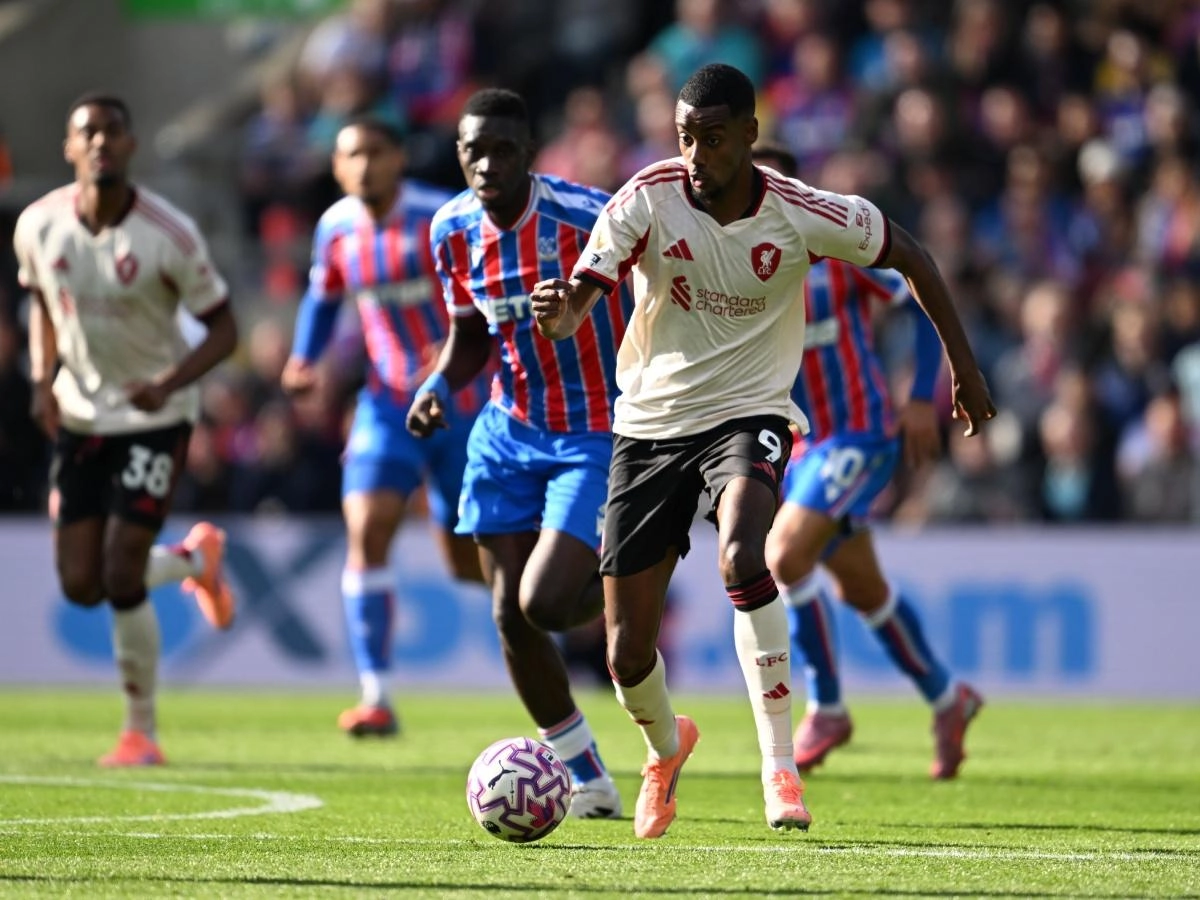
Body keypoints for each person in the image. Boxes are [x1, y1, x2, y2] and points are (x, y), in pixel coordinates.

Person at [531, 64, 996, 838]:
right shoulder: (646, 196)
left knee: (751, 555)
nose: (696, 155)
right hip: (649, 428)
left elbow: (911, 253)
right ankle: (663, 746)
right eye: (686, 138)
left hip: (752, 416)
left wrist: (964, 370)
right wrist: (557, 315)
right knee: (624, 651)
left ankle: (780, 767)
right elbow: (580, 300)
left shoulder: (800, 212)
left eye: (712, 139)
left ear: (749, 135)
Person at [406, 88, 633, 818]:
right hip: (506, 430)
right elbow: (471, 334)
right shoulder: (450, 230)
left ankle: (634, 575)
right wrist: (438, 383)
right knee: (509, 613)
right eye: (475, 151)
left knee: (541, 601)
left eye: (503, 149)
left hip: (593, 430)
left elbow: (660, 294)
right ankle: (586, 776)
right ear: (460, 155)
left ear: (529, 153)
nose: (488, 163)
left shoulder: (586, 216)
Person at [13, 93, 239, 766]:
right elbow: (41, 304)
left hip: (155, 417)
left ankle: (139, 730)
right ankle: (196, 563)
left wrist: (166, 386)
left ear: (131, 145)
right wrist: (40, 379)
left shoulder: (168, 234)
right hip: (79, 412)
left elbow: (224, 328)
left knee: (119, 571)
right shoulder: (38, 224)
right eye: (89, 132)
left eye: (113, 131)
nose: (101, 142)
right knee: (81, 584)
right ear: (69, 147)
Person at [752, 142, 984, 780]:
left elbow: (916, 295)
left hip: (859, 435)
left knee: (783, 557)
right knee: (863, 589)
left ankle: (826, 706)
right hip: (798, 448)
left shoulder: (835, 251)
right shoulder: (740, 266)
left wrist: (919, 397)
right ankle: (947, 696)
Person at [282, 116, 489, 737]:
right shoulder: (336, 226)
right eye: (352, 155)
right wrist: (304, 357)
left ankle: (551, 611)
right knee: (367, 527)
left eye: (376, 152)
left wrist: (455, 351)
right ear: (338, 166)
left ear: (399, 158)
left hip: (463, 405)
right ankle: (375, 693)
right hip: (386, 406)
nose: (364, 165)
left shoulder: (439, 216)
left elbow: (480, 296)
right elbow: (324, 296)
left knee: (465, 561)